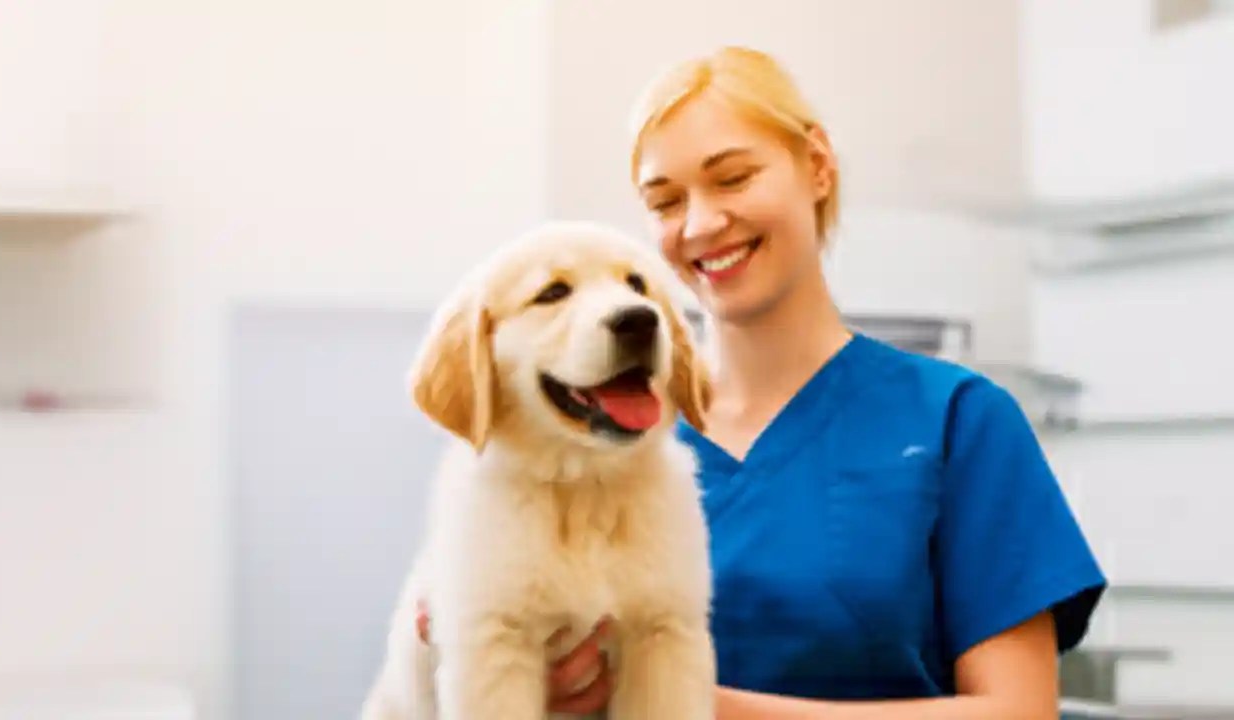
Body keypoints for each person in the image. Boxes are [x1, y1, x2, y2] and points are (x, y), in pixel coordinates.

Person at [416, 45, 1107, 718]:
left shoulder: (958, 424)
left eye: (734, 178)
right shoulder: (588, 434)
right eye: (665, 201)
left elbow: (1019, 712)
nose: (702, 223)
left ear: (818, 166)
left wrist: (687, 703)